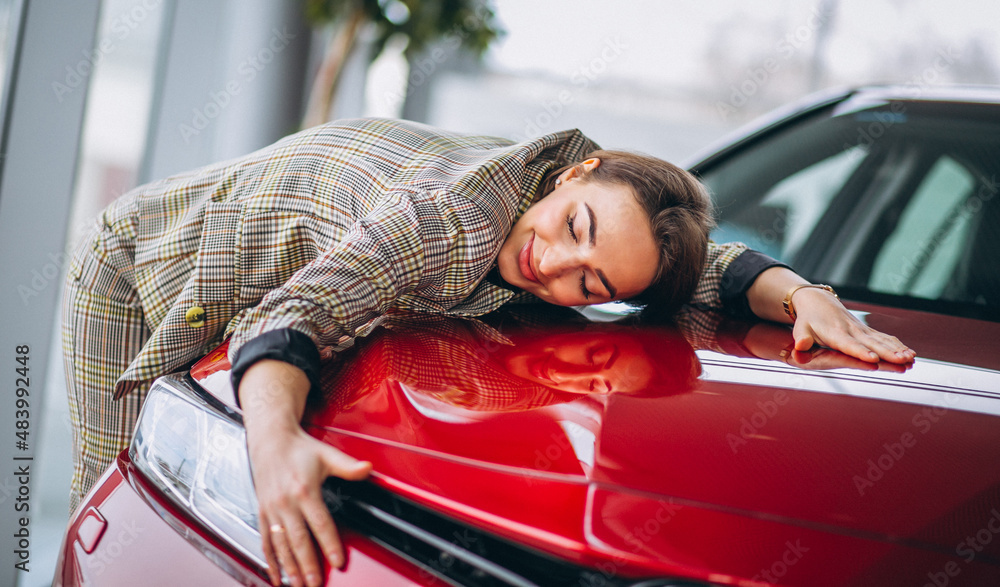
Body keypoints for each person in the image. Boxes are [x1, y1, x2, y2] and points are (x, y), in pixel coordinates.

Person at [62, 117, 913, 587]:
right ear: (581, 172)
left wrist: (806, 294)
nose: (558, 265)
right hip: (144, 269)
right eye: (574, 230)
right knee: (102, 531)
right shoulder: (450, 222)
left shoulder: (575, 205)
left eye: (591, 284)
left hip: (255, 273)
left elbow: (713, 271)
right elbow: (297, 313)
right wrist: (275, 443)